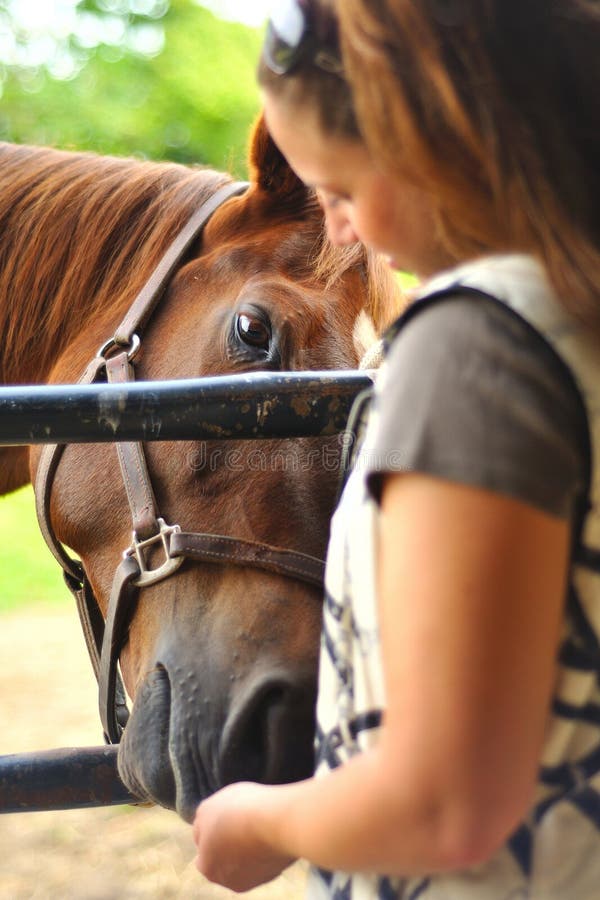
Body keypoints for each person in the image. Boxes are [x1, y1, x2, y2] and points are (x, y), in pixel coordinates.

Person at [192, 1, 600, 897]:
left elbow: (444, 804)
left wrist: (257, 818)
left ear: (435, 139)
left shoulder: (473, 346)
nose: (337, 231)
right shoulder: (572, 318)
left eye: (337, 191)